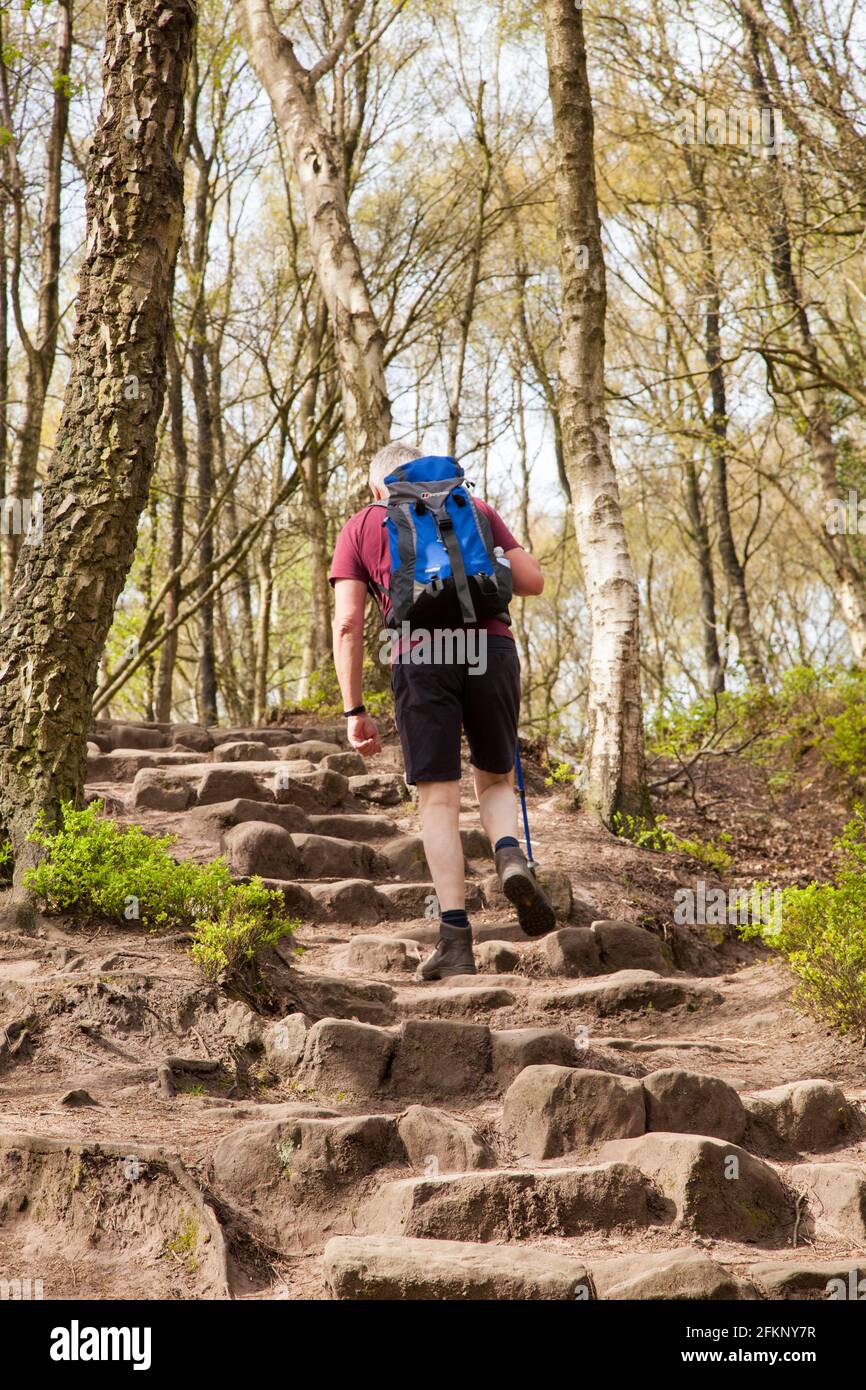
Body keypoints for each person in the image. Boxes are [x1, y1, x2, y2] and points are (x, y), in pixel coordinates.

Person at [329, 442, 555, 979]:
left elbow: (348, 624)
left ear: (379, 485)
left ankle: (456, 940)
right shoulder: (473, 509)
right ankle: (509, 855)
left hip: (421, 654)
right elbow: (532, 581)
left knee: (437, 798)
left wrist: (353, 708)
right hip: (491, 650)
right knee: (496, 778)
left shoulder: (362, 525)